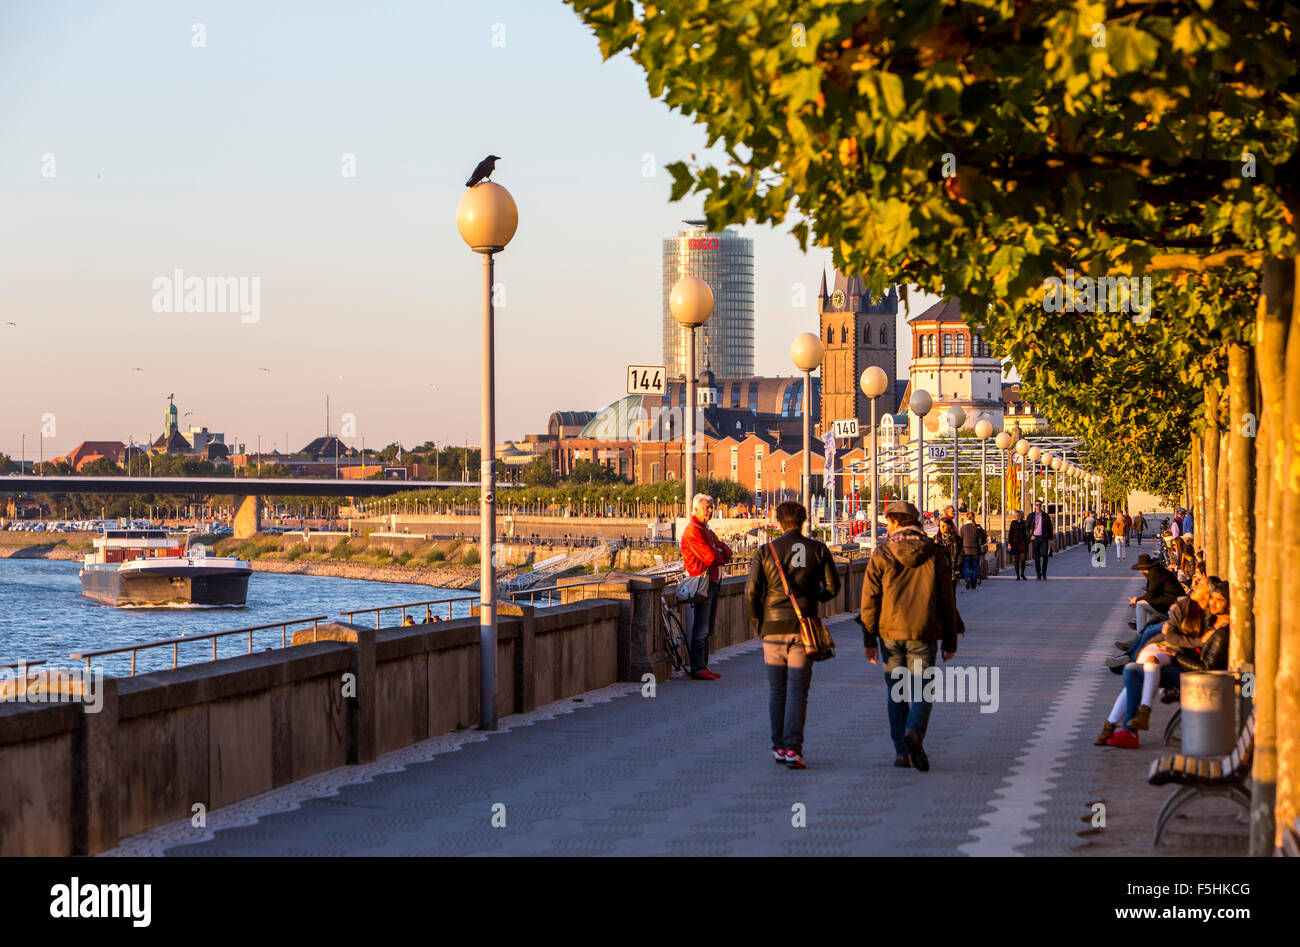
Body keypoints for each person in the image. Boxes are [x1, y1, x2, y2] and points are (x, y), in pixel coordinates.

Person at [861, 500, 962, 771]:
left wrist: (869, 640)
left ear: (894, 522)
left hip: (890, 632)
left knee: (896, 691)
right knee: (922, 689)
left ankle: (901, 752)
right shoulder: (933, 551)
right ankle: (914, 731)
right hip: (923, 631)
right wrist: (950, 640)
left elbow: (869, 600)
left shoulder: (882, 553)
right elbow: (946, 599)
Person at [745, 501, 841, 769]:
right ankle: (792, 749)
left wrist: (759, 625)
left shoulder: (766, 550)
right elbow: (833, 586)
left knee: (777, 691)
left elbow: (751, 593)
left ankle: (777, 746)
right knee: (798, 691)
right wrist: (813, 600)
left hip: (772, 629)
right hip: (803, 629)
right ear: (804, 521)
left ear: (777, 522)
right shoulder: (818, 549)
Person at [1098, 579, 1229, 748]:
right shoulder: (1192, 610)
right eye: (1213, 599)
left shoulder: (1217, 624)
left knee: (1134, 671)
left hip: (1191, 669)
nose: (1194, 584)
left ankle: (1125, 727)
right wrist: (1196, 642)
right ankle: (1128, 726)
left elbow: (1205, 665)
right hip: (1179, 659)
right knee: (1136, 669)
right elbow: (1171, 635)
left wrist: (1176, 653)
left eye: (1200, 585)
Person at [680, 492, 733, 680]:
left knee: (707, 627)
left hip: (712, 582)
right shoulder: (695, 530)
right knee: (701, 628)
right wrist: (719, 552)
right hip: (702, 583)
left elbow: (727, 552)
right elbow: (710, 557)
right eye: (706, 507)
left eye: (711, 507)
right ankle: (697, 668)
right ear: (695, 509)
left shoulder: (706, 529)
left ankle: (703, 665)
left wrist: (719, 551)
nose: (710, 510)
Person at [1028, 500, 1054, 579]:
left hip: (1043, 538)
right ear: (1034, 506)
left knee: (1045, 555)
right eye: (1037, 505)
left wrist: (1051, 539)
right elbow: (1027, 527)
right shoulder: (1031, 516)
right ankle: (1038, 574)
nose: (1038, 506)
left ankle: (1044, 573)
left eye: (1039, 505)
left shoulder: (1045, 516)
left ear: (1041, 506)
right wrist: (1030, 536)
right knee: (1036, 557)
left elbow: (1050, 527)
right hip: (1035, 537)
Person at [935, 518, 962, 592]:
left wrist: (958, 567)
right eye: (940, 526)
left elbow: (960, 554)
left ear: (949, 526)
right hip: (939, 569)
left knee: (951, 593)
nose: (942, 528)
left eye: (944, 525)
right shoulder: (936, 539)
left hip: (952, 569)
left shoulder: (956, 539)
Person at [959, 510, 981, 591]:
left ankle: (967, 578)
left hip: (966, 550)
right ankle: (973, 585)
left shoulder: (963, 528)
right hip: (975, 550)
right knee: (975, 568)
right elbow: (981, 538)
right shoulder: (976, 528)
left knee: (967, 567)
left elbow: (959, 539)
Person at [1007, 509, 1029, 580]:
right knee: (1016, 560)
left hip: (1023, 543)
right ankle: (1017, 576)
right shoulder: (1013, 523)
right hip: (1015, 543)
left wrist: (1028, 540)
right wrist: (1009, 543)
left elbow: (1027, 532)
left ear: (1020, 516)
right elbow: (1010, 533)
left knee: (1023, 559)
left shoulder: (1024, 523)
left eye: (1017, 515)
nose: (1015, 517)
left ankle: (1022, 573)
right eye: (1015, 515)